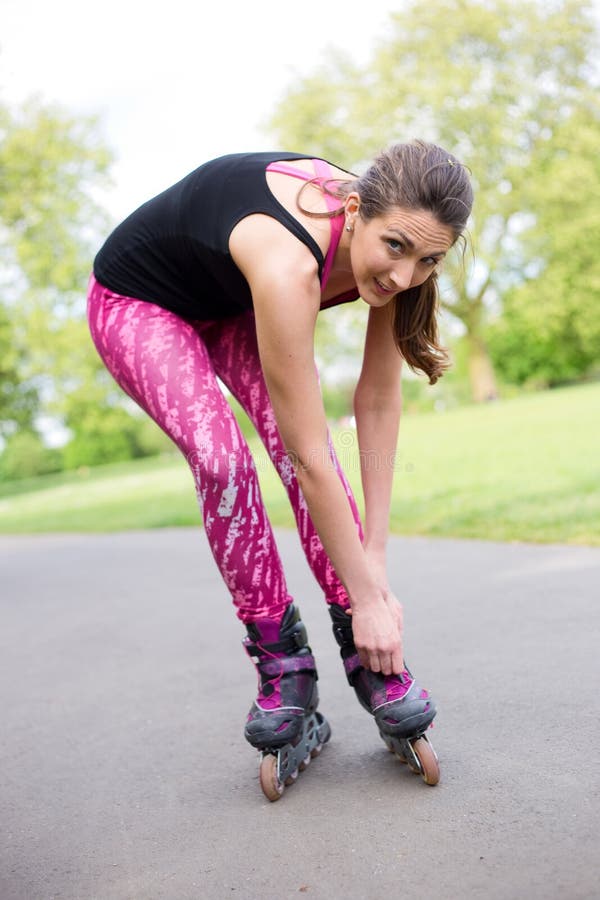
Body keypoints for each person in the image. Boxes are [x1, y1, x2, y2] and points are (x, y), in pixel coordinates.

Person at [87, 143, 473, 791]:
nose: (405, 277)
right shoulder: (289, 261)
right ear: (354, 211)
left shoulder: (408, 252)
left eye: (430, 260)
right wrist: (373, 599)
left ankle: (366, 652)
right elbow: (309, 456)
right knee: (223, 461)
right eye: (397, 249)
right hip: (142, 304)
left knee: (302, 446)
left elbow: (377, 401)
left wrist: (372, 565)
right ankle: (282, 667)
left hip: (233, 301)